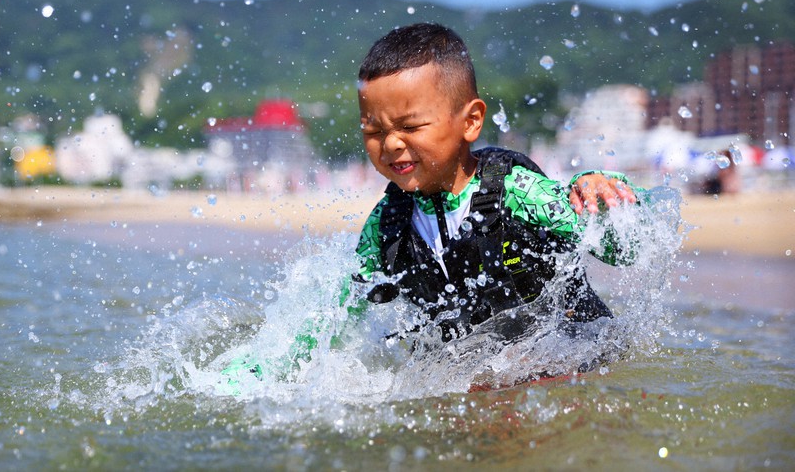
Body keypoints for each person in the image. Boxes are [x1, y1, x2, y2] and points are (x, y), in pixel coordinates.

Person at [219, 23, 639, 389]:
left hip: (577, 364)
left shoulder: (515, 192)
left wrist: (604, 193)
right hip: (483, 379)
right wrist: (261, 371)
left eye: (409, 126)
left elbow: (624, 248)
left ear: (471, 121)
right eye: (373, 129)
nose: (390, 143)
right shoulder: (388, 225)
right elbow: (337, 314)